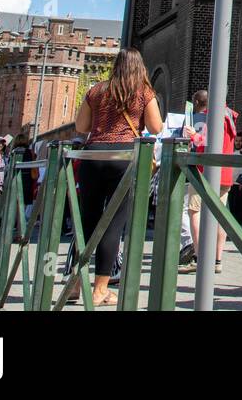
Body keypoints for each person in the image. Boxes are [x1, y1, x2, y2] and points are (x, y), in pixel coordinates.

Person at [72, 48, 163, 306]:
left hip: (93, 157)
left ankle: (75, 284)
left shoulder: (97, 90)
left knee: (87, 220)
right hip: (124, 158)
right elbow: (156, 128)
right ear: (139, 67)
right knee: (112, 224)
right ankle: (100, 289)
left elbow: (81, 127)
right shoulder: (144, 92)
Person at [182, 89, 238, 274]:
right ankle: (216, 259)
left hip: (205, 172)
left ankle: (199, 257)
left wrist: (192, 135)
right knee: (220, 215)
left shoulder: (211, 116)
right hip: (225, 172)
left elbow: (206, 142)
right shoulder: (230, 116)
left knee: (194, 210)